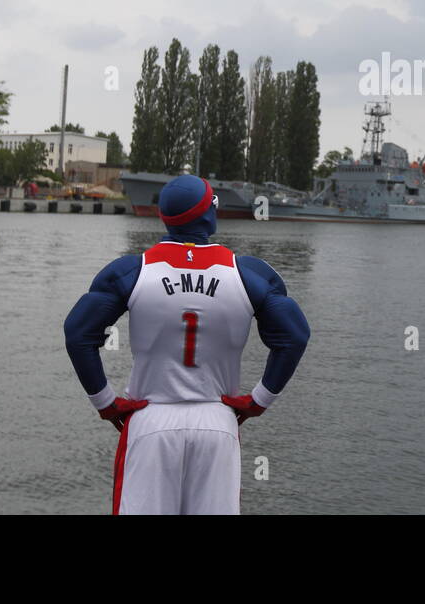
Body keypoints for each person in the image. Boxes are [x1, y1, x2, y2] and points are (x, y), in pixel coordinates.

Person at [63, 175, 310, 514]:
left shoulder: (131, 271)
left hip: (150, 419)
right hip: (217, 422)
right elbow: (294, 336)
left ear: (165, 217)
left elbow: (78, 333)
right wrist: (258, 400)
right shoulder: (249, 274)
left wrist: (105, 402)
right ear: (210, 215)